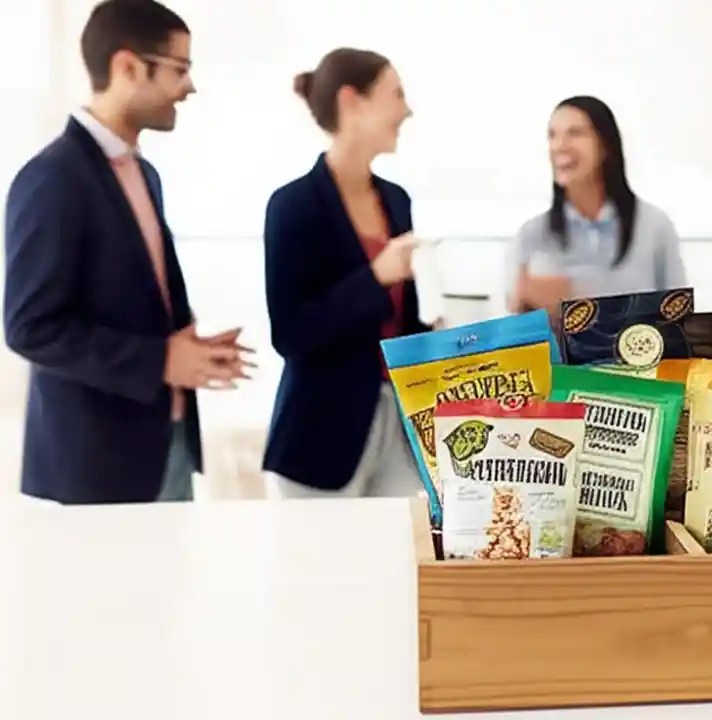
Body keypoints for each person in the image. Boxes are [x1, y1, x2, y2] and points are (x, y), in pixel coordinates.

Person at [3, 0, 251, 504]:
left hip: (167, 444)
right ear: (127, 67)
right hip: (99, 469)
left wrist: (190, 353)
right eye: (179, 70)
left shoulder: (144, 174)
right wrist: (160, 360)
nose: (190, 86)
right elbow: (30, 328)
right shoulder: (52, 178)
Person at [261, 48, 431, 498]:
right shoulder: (292, 206)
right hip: (321, 439)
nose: (407, 109)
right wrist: (375, 276)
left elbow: (397, 323)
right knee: (318, 569)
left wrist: (442, 331)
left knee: (398, 561)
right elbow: (292, 334)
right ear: (353, 101)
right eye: (396, 94)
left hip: (396, 424)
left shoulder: (397, 200)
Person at [503, 95, 688, 315]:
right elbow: (517, 328)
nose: (559, 146)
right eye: (552, 135)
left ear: (605, 145)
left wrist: (571, 297)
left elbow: (681, 317)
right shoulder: (531, 235)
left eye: (575, 133)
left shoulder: (654, 227)